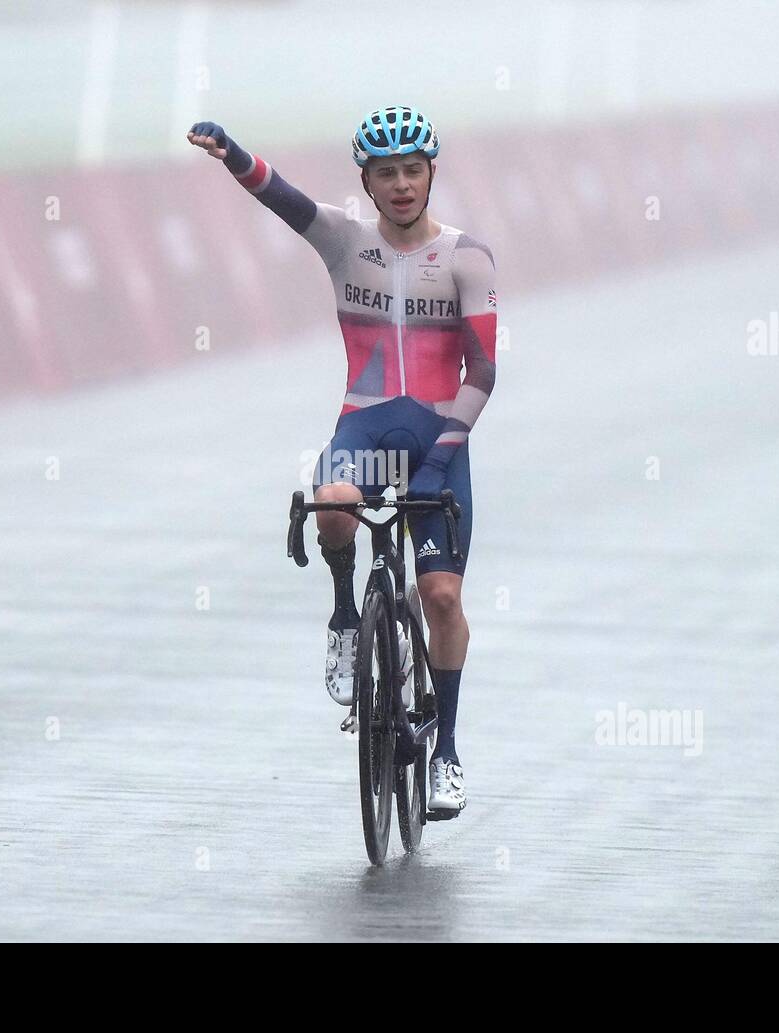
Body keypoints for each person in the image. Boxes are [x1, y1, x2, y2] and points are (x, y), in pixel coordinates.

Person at [187, 105, 497, 814]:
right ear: (367, 180)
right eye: (385, 173)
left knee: (443, 597)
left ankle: (446, 750)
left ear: (430, 174)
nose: (400, 184)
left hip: (438, 439)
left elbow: (481, 374)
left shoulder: (466, 258)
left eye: (411, 170)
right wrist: (233, 150)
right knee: (330, 503)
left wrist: (438, 459)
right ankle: (344, 623)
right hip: (363, 426)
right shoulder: (343, 240)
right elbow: (280, 196)